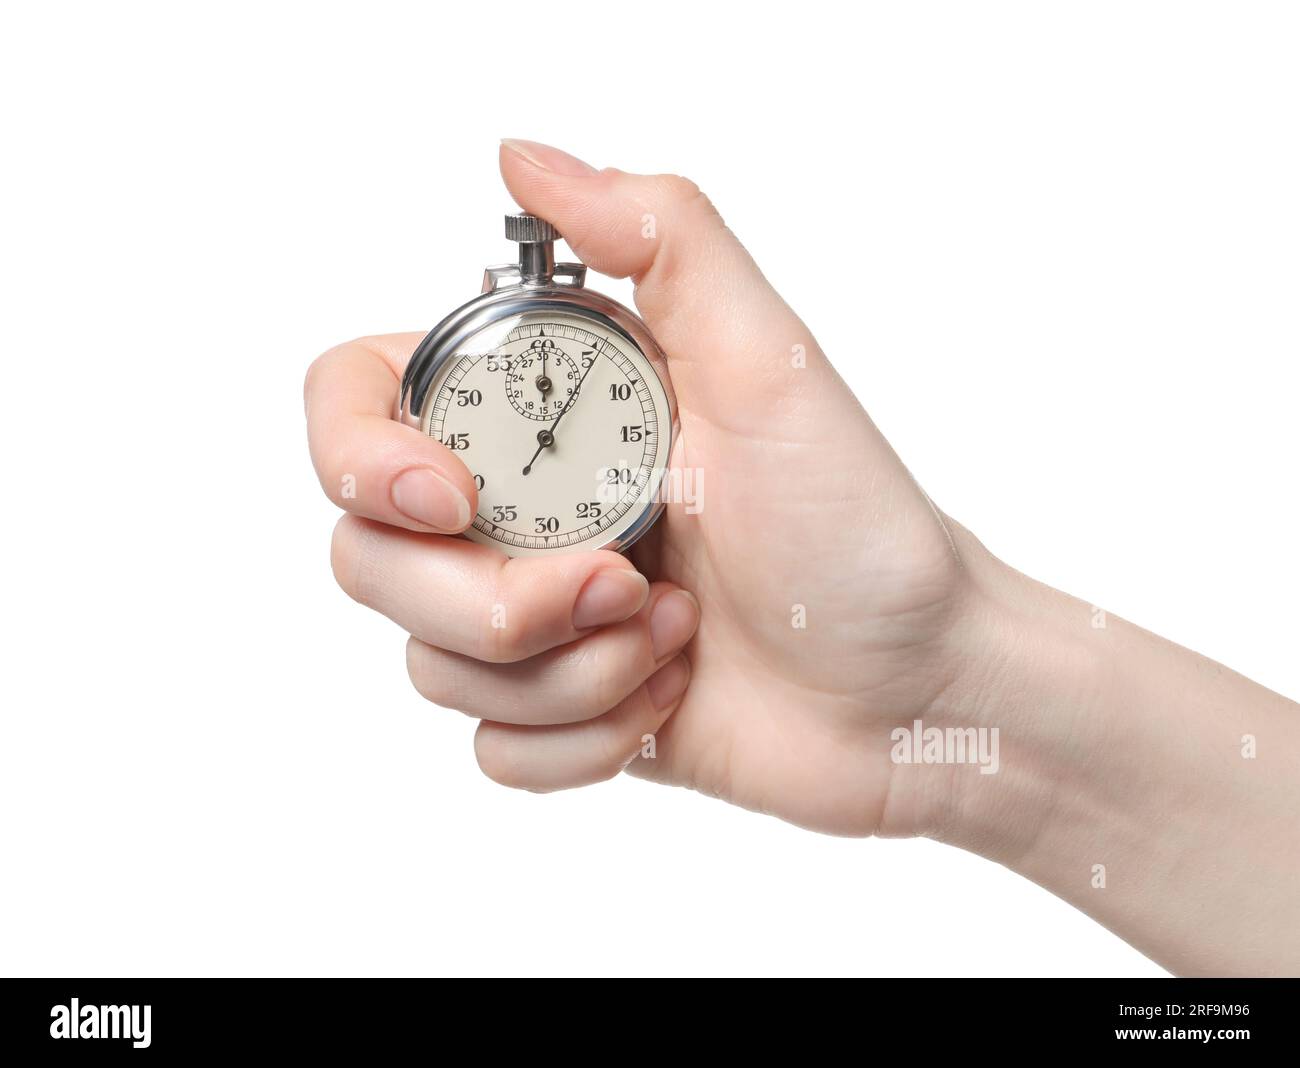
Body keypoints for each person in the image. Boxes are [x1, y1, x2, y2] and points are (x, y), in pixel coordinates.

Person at [304, 139, 1300, 977]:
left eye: (568, 411)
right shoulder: (522, 375)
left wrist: (946, 686)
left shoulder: (630, 372)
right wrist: (947, 701)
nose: (542, 443)